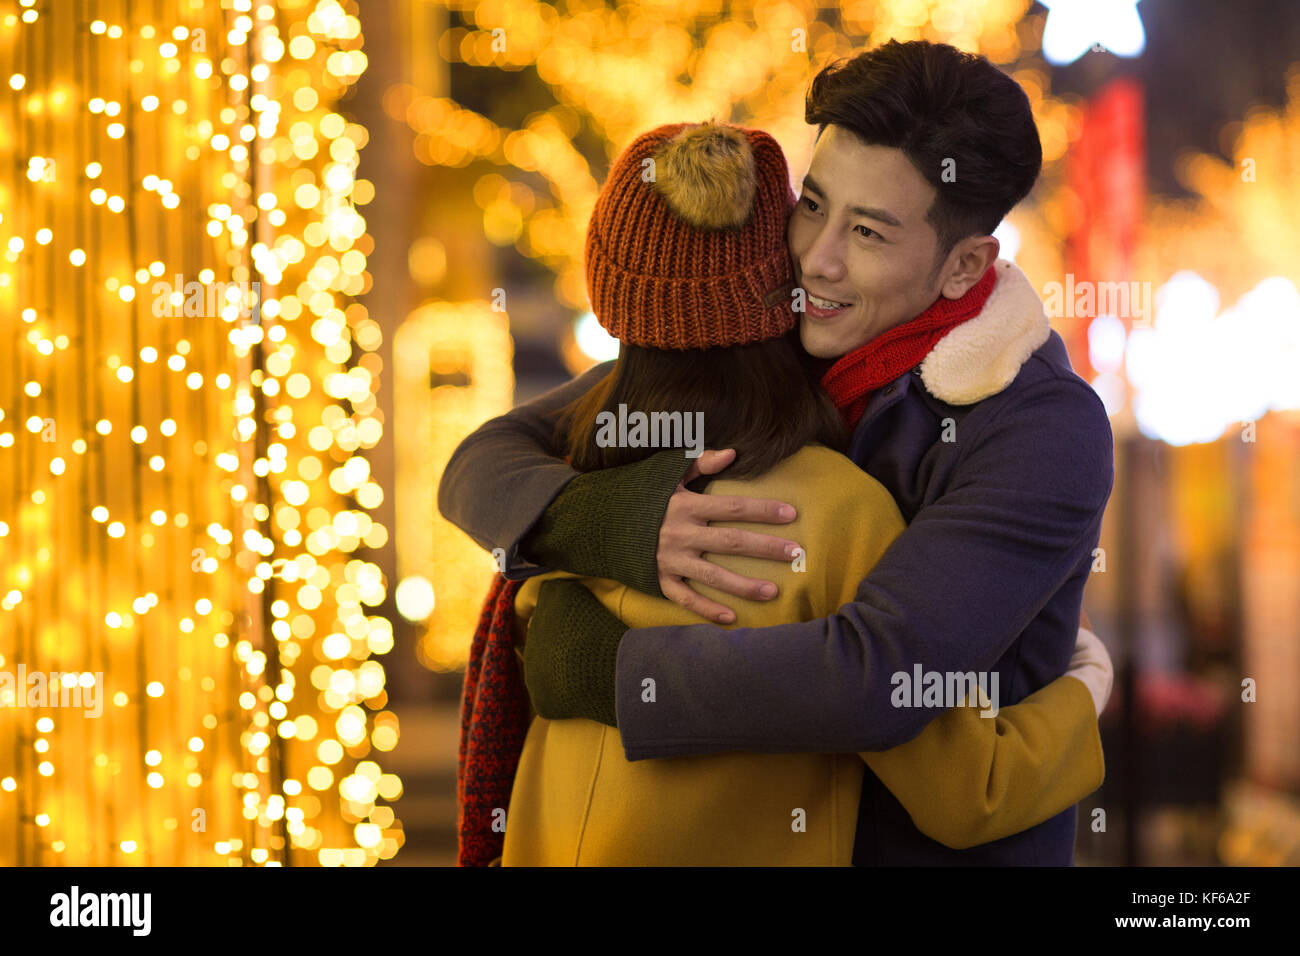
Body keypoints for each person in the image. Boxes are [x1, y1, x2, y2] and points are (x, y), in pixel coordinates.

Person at [442, 40, 1116, 865]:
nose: (815, 260)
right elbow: (485, 459)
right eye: (813, 205)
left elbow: (877, 676)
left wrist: (612, 670)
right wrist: (616, 521)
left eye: (867, 231)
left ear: (963, 265)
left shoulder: (1041, 430)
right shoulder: (775, 335)